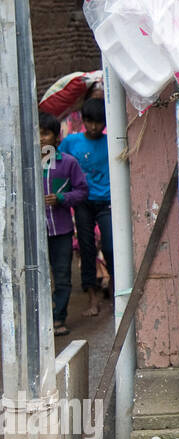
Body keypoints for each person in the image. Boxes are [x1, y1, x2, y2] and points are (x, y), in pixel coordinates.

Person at [60, 97, 113, 316]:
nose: (94, 127)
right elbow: (51, 162)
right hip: (82, 202)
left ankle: (113, 289)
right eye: (90, 121)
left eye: (98, 122)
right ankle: (92, 298)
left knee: (110, 248)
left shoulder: (111, 141)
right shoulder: (72, 143)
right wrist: (57, 192)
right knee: (86, 248)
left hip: (107, 202)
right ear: (83, 120)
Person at [41, 112, 88, 336]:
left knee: (61, 276)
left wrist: (61, 198)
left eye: (46, 133)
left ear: (56, 138)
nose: (41, 139)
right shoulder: (26, 166)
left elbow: (82, 191)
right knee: (36, 277)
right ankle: (41, 320)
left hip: (61, 230)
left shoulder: (68, 163)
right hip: (36, 233)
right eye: (37, 134)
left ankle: (59, 318)